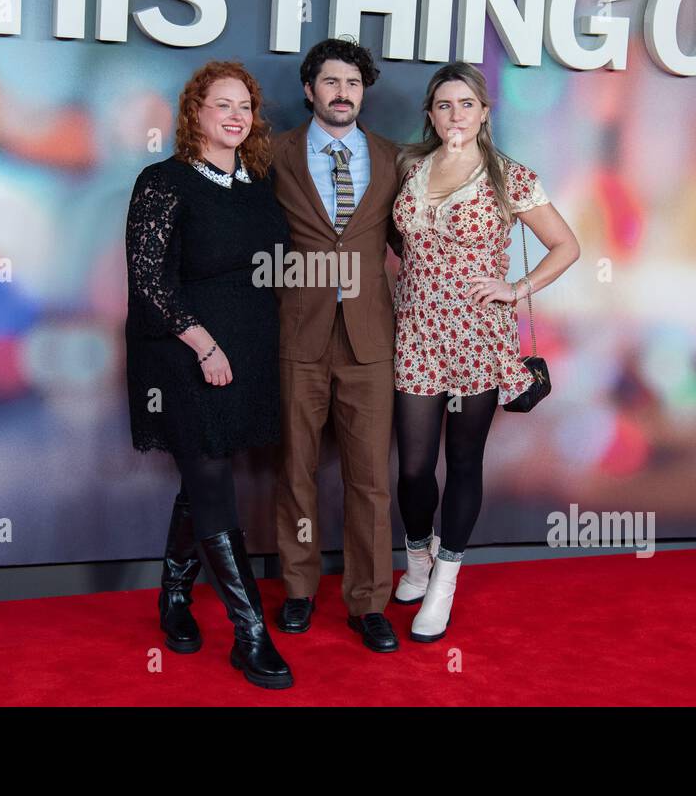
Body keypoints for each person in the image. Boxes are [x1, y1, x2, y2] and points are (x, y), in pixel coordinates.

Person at [390, 61, 580, 641]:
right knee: (416, 466)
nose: (456, 114)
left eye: (466, 104)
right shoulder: (409, 169)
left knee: (464, 461)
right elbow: (395, 242)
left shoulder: (509, 176)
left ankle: (445, 581)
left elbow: (566, 245)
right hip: (418, 332)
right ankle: (417, 557)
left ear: (483, 113)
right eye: (445, 104)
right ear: (430, 113)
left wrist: (515, 288)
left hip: (479, 335)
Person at [124, 61, 294, 689]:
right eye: (221, 104)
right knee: (213, 482)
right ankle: (251, 634)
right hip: (184, 352)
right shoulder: (162, 182)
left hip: (246, 351)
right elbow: (149, 283)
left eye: (245, 106)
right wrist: (203, 344)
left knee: (206, 473)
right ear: (194, 112)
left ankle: (173, 595)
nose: (235, 115)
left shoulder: (256, 184)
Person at [270, 38, 405, 652]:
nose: (342, 93)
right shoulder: (275, 155)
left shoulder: (395, 159)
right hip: (301, 334)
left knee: (371, 479)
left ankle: (368, 600)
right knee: (297, 469)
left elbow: (417, 247)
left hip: (372, 340)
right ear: (310, 90)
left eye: (352, 83)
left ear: (363, 91)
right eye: (330, 82)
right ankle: (298, 591)